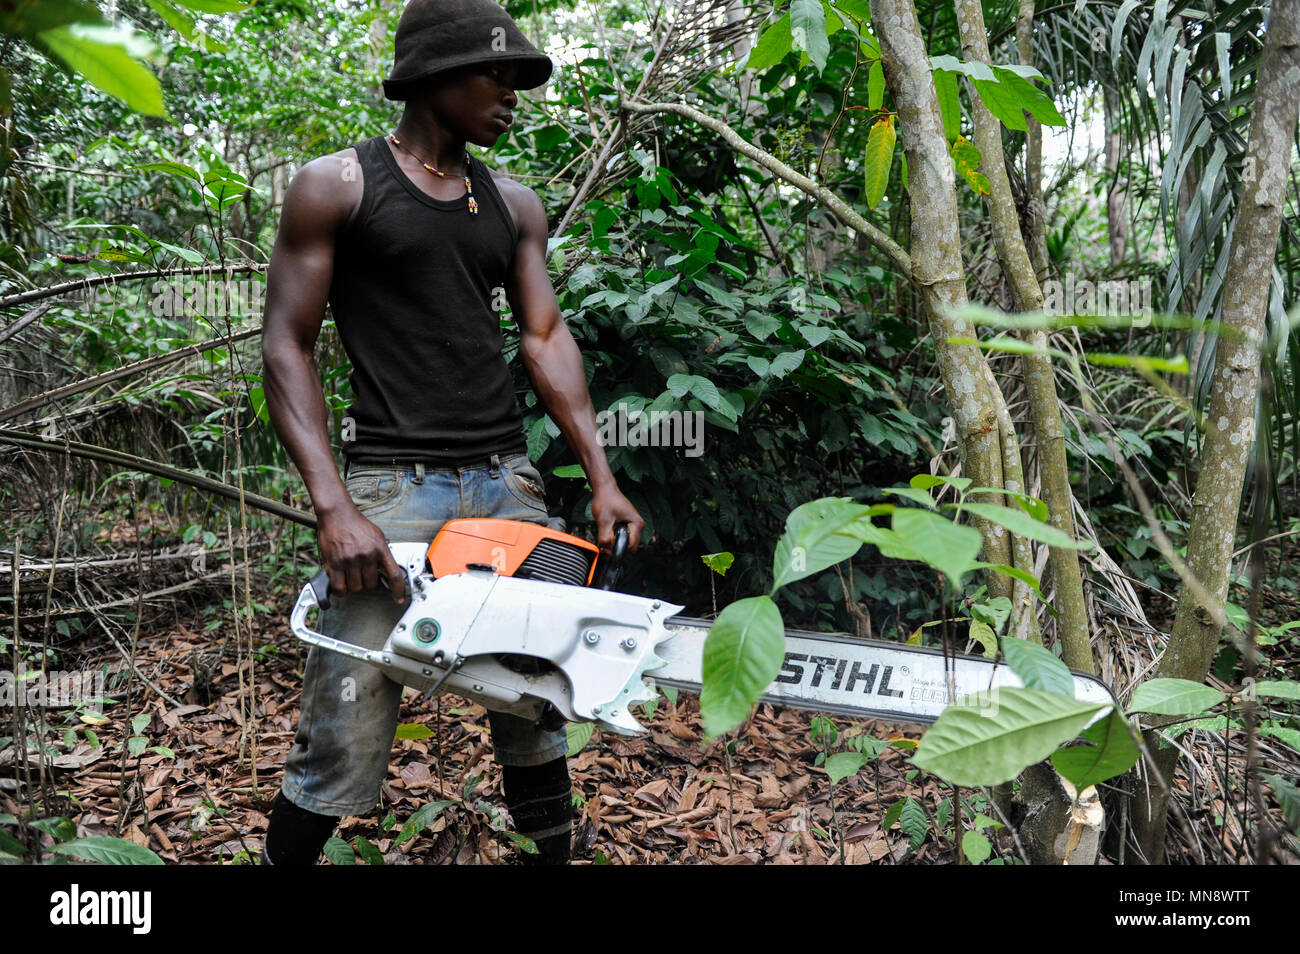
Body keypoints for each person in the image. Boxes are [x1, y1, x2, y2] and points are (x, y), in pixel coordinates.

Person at [259, 0, 644, 865]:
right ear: (436, 77)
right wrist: (333, 508)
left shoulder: (512, 204)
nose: (513, 96)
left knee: (536, 710)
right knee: (344, 732)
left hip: (507, 486)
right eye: (496, 76)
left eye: (518, 80)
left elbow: (545, 337)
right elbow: (286, 345)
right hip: (391, 494)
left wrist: (602, 475)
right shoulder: (338, 186)